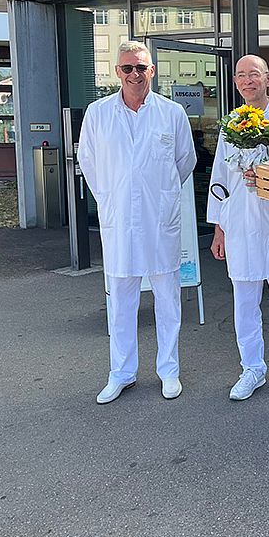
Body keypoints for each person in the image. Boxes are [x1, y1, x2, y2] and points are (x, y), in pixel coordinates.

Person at [79, 40, 196, 404]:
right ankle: (122, 372)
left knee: (167, 298)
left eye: (141, 67)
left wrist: (155, 194)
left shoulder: (172, 113)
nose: (134, 74)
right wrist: (114, 198)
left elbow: (185, 162)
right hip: (119, 222)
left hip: (159, 219)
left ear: (152, 71)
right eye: (127, 68)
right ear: (117, 72)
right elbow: (89, 163)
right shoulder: (98, 113)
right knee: (122, 300)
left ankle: (169, 370)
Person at [207, 54, 269, 403]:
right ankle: (252, 368)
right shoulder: (230, 123)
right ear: (235, 82)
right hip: (241, 223)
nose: (248, 81)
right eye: (241, 76)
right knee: (245, 301)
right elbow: (220, 176)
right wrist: (219, 228)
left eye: (255, 75)